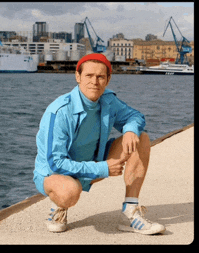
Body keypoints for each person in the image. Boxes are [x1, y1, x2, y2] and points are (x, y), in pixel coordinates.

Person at [33, 53, 165, 235]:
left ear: (108, 79)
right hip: (55, 173)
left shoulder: (108, 100)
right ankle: (60, 206)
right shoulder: (59, 111)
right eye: (88, 76)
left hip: (94, 161)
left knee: (141, 138)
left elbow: (135, 116)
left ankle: (130, 213)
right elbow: (56, 163)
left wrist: (130, 130)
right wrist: (103, 168)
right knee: (70, 191)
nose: (94, 81)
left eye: (100, 76)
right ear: (77, 77)